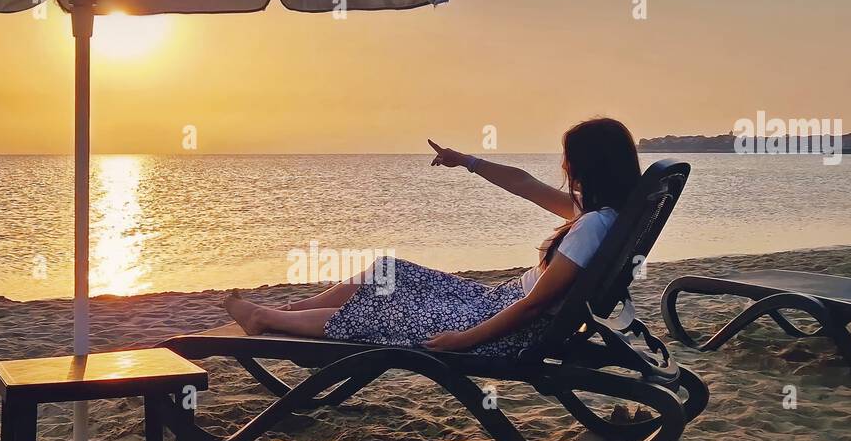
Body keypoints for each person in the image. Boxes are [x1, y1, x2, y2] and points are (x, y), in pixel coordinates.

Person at [222, 117, 642, 355]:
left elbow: (534, 308)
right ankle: (294, 310)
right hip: (495, 302)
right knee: (390, 272)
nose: (564, 166)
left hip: (501, 326)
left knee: (381, 310)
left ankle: (265, 319)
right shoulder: (607, 216)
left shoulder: (590, 227)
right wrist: (466, 161)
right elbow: (527, 186)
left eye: (568, 158)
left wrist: (463, 340)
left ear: (588, 164)